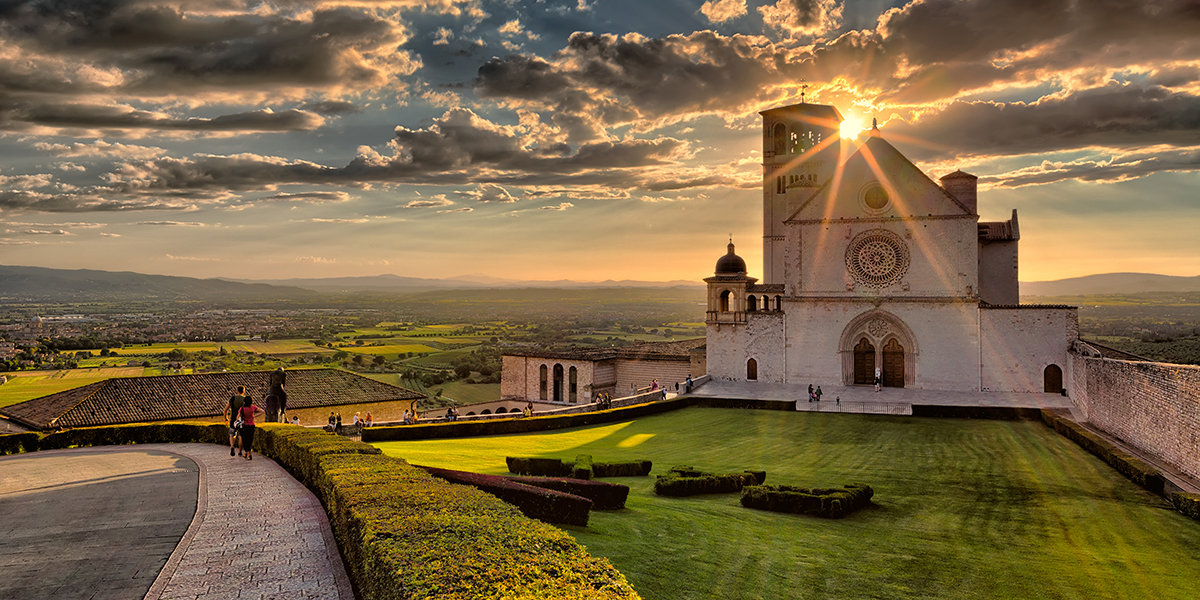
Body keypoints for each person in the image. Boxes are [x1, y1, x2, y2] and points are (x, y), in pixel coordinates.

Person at [224, 385, 247, 457]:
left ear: (236, 391)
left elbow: (225, 410)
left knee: (232, 434)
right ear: (243, 391)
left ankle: (232, 446)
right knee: (240, 436)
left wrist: (226, 418)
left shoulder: (232, 398)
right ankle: (240, 451)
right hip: (241, 420)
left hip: (233, 419)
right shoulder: (245, 399)